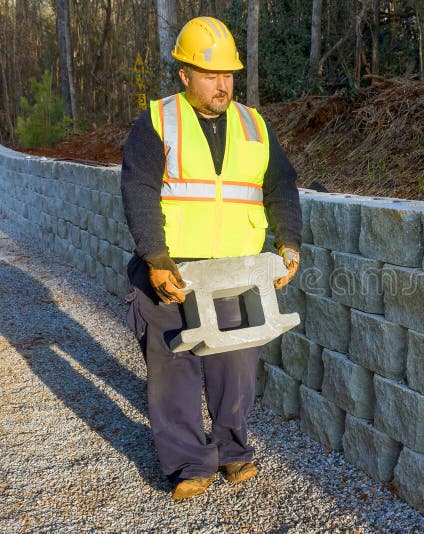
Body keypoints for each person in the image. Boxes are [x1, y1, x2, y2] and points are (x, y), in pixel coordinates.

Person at [121, 16, 301, 501]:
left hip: (235, 272)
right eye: (210, 74)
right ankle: (187, 464)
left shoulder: (254, 123)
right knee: (172, 370)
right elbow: (138, 191)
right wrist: (155, 258)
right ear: (184, 75)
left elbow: (280, 186)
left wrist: (289, 243)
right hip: (173, 271)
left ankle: (233, 452)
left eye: (228, 74)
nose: (222, 85)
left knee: (236, 366)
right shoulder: (158, 120)